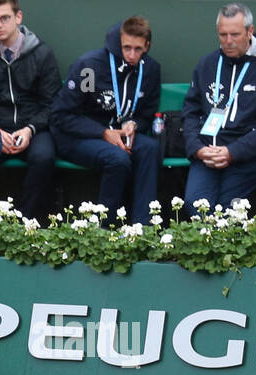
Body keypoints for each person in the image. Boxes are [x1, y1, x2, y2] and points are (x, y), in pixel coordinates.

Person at [51, 17, 161, 224]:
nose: (131, 55)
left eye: (138, 49)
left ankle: (144, 227)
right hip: (77, 136)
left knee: (150, 149)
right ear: (118, 43)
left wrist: (134, 124)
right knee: (117, 158)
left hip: (118, 134)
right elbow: (64, 115)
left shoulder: (150, 70)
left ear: (147, 46)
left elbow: (146, 115)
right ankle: (103, 229)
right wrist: (103, 132)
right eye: (126, 47)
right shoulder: (91, 68)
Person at [183, 3, 256, 212]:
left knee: (227, 210)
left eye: (235, 34)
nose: (228, 41)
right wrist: (198, 149)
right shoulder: (207, 64)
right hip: (208, 153)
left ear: (250, 31)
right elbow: (190, 111)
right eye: (223, 35)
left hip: (248, 154)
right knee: (196, 207)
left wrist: (233, 152)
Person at [0, 0, 61, 220]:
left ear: (18, 17)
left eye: (5, 18)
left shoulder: (42, 54)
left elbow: (52, 103)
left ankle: (26, 222)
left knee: (44, 157)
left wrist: (30, 129)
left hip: (33, 127)